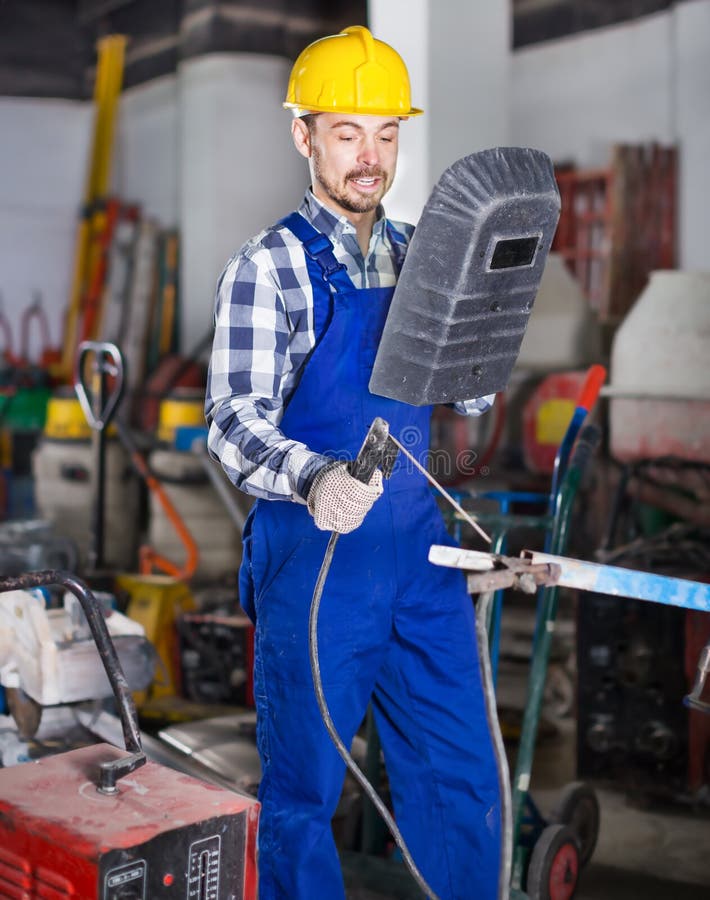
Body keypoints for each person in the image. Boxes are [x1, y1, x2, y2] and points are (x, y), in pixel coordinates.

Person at [206, 24, 502, 900]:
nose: (370, 158)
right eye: (347, 133)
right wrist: (314, 478)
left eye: (386, 134)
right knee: (305, 795)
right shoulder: (268, 269)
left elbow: (465, 396)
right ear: (305, 136)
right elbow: (231, 418)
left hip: (418, 554)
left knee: (459, 772)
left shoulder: (426, 257)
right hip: (316, 562)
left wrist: (479, 362)